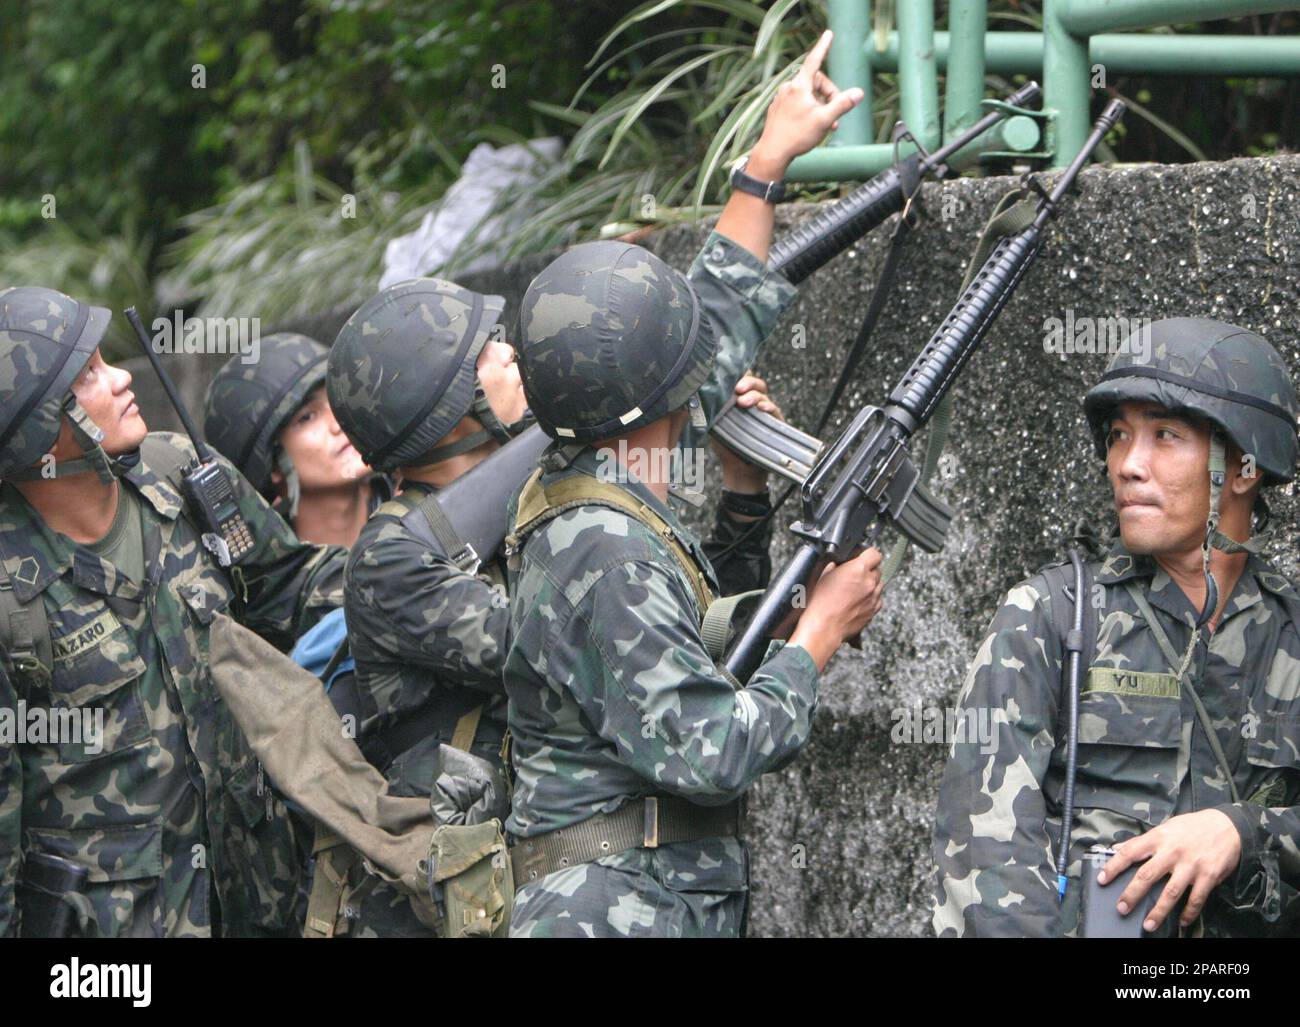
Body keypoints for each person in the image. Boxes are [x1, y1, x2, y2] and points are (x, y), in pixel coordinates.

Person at [501, 29, 885, 938]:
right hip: (604, 913)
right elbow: (712, 751)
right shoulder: (609, 547)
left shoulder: (599, 470)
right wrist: (819, 632)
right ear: (656, 395)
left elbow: (714, 318)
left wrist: (768, 161)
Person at [931, 317, 1300, 938]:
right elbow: (984, 855)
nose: (1129, 464)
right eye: (1120, 436)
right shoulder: (1052, 617)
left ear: (1244, 466)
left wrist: (1244, 830)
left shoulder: (1290, 629)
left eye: (1166, 436)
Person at [0, 286, 347, 937]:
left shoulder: (177, 470)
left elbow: (291, 586)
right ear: (39, 424)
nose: (123, 377)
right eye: (89, 376)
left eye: (107, 360)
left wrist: (405, 565)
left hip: (260, 892)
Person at [203, 332, 392, 548]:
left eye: (339, 397)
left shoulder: (425, 520)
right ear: (272, 465)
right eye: (308, 417)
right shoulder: (264, 578)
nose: (338, 422)